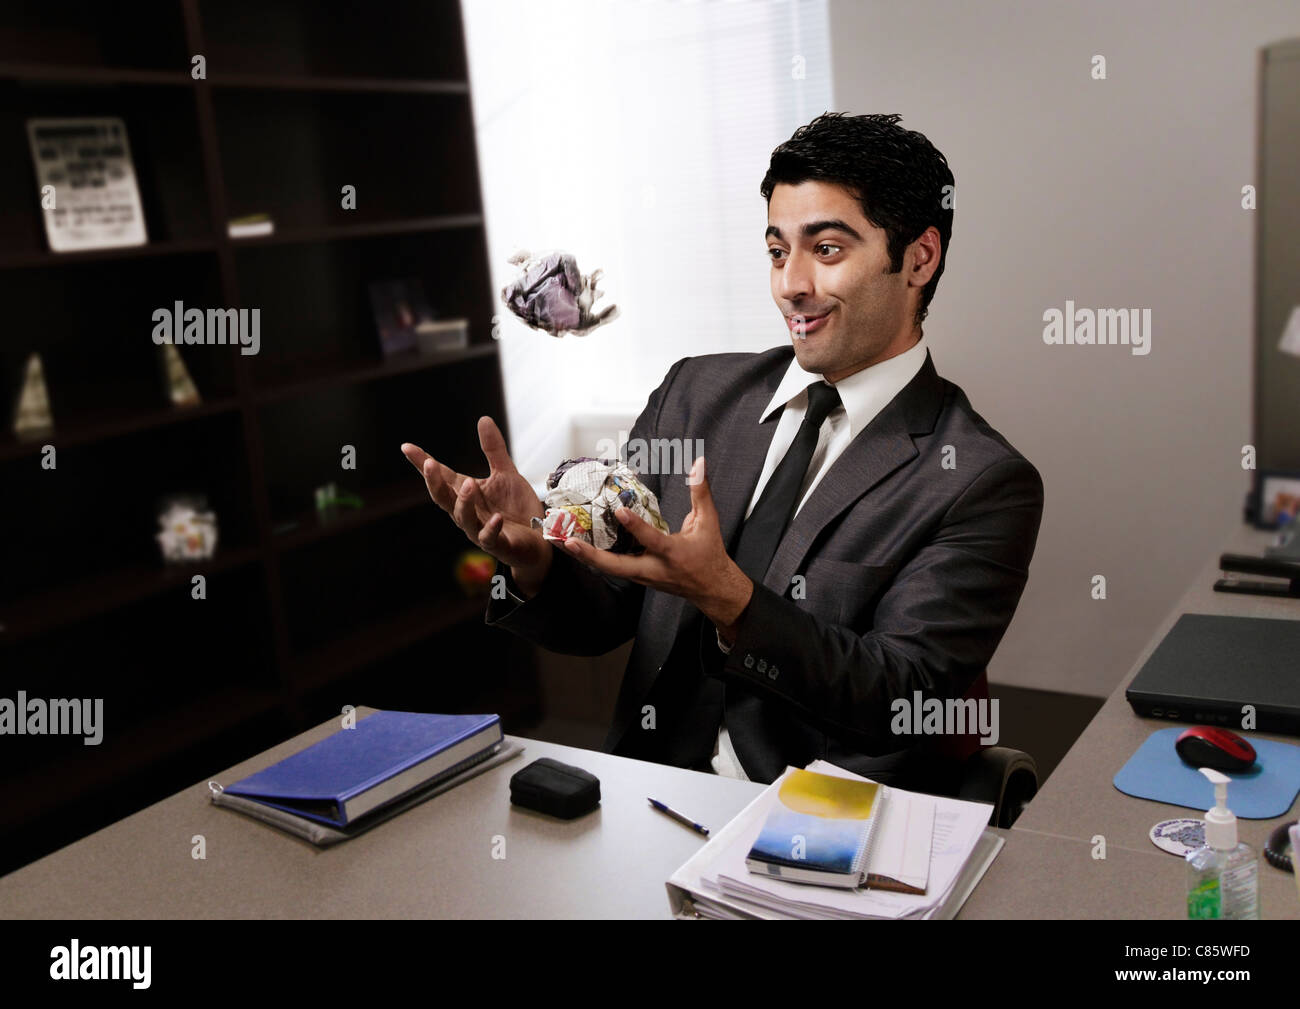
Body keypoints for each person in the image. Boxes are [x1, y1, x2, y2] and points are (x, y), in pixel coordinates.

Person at [402, 112, 1044, 793]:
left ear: (919, 258)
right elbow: (609, 613)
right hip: (638, 799)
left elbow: (901, 698)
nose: (790, 283)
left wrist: (732, 600)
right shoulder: (694, 393)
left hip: (813, 831)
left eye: (825, 249)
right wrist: (536, 559)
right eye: (776, 250)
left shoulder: (981, 480)